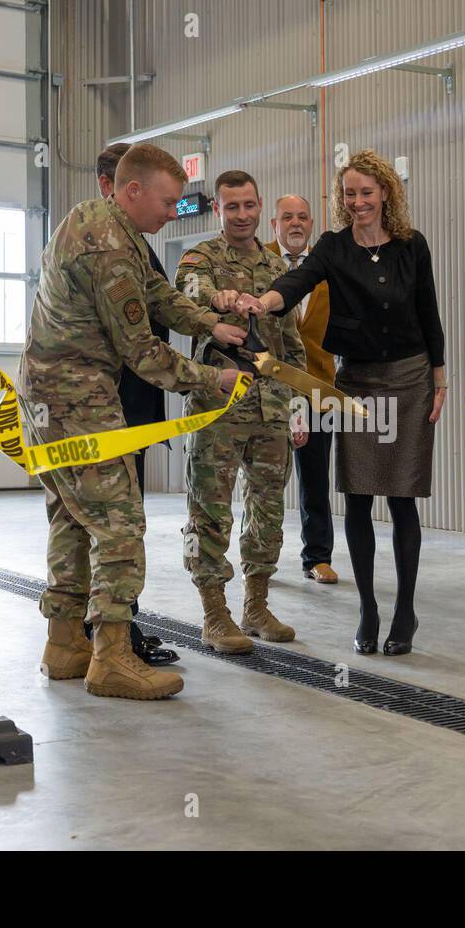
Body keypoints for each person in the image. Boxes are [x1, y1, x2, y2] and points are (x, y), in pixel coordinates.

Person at [19, 144, 243, 699]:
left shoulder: (103, 223)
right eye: (168, 202)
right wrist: (213, 381)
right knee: (120, 524)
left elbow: (160, 297)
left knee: (74, 519)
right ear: (132, 190)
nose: (175, 213)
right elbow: (142, 351)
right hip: (77, 400)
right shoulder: (110, 248)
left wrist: (212, 325)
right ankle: (112, 656)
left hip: (54, 395)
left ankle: (65, 642)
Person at [248, 149, 447, 656]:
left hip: (410, 378)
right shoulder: (335, 248)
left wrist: (440, 376)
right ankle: (368, 609)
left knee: (402, 496)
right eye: (349, 193)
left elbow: (428, 310)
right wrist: (266, 300)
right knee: (358, 494)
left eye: (366, 192)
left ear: (385, 194)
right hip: (356, 382)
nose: (357, 201)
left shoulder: (411, 245)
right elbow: (297, 281)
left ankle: (405, 610)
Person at [174, 170, 307, 653]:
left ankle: (256, 604)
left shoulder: (278, 270)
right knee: (210, 511)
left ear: (259, 205)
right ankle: (214, 613)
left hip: (271, 409)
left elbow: (292, 345)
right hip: (219, 409)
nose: (243, 215)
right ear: (218, 209)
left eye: (250, 205)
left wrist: (298, 408)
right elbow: (183, 289)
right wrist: (217, 298)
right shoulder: (202, 257)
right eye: (233, 207)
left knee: (268, 509)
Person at [268, 194, 340, 585]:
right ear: (273, 224)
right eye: (287, 217)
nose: (296, 224)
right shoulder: (258, 260)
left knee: (315, 478)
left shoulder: (327, 266)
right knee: (265, 480)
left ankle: (317, 557)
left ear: (311, 224)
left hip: (318, 390)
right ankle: (260, 558)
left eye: (303, 217)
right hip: (270, 390)